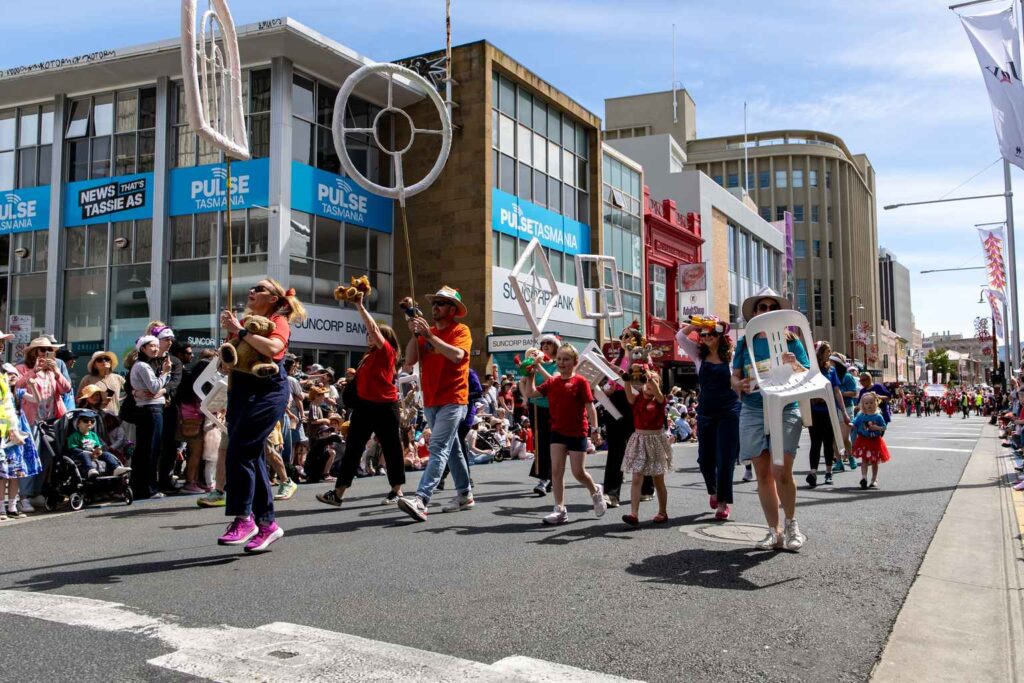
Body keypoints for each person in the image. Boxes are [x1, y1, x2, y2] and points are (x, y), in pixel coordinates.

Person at [217, 279, 305, 553]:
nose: (252, 291)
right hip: (240, 391)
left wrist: (239, 331)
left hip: (267, 390)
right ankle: (267, 524)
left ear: (274, 299)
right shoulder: (245, 321)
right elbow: (225, 364)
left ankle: (244, 518)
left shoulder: (278, 320)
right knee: (251, 454)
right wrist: (229, 346)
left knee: (240, 451)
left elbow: (273, 349)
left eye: (260, 289)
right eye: (253, 288)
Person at [732, 287, 809, 552]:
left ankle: (791, 525)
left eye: (771, 308)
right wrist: (738, 384)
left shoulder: (791, 339)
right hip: (753, 407)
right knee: (762, 473)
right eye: (761, 308)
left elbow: (808, 373)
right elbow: (735, 376)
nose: (766, 312)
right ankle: (773, 531)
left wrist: (795, 364)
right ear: (754, 314)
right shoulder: (744, 343)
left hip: (785, 406)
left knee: (781, 471)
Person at [317, 289, 406, 508]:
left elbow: (373, 328)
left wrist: (359, 305)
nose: (368, 336)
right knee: (353, 449)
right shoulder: (368, 356)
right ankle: (338, 493)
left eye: (372, 334)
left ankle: (397, 490)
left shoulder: (387, 352)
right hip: (365, 408)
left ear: (383, 338)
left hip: (386, 407)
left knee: (391, 447)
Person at [396, 286, 475, 522]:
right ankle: (465, 494)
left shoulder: (462, 330)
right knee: (452, 449)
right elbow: (409, 361)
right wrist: (415, 334)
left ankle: (421, 499)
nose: (435, 307)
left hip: (453, 398)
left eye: (441, 303)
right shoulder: (426, 331)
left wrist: (429, 337)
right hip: (430, 399)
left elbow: (457, 356)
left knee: (438, 446)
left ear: (453, 310)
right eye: (435, 303)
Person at [518, 342, 607, 525]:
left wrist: (595, 430)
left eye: (566, 359)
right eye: (559, 359)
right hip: (557, 431)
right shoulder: (553, 382)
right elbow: (531, 393)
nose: (561, 362)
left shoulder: (580, 381)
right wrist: (531, 374)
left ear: (574, 362)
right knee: (556, 472)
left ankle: (595, 490)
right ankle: (559, 509)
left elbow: (590, 408)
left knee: (578, 472)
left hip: (577, 432)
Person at [677, 316, 740, 520]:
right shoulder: (698, 355)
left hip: (729, 411)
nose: (705, 337)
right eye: (703, 334)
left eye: (710, 333)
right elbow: (680, 336)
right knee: (705, 459)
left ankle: (722, 503)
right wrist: (698, 325)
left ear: (720, 335)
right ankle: (713, 491)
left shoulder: (732, 358)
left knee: (725, 458)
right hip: (706, 411)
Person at [602, 324, 655, 507]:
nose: (624, 339)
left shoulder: (643, 358)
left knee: (640, 447)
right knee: (615, 449)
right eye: (623, 336)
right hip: (615, 403)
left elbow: (644, 382)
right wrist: (607, 389)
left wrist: (626, 372)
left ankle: (646, 487)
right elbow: (610, 384)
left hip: (634, 403)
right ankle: (611, 493)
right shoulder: (615, 361)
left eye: (629, 336)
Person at [620, 370, 672, 526]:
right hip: (639, 439)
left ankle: (662, 512)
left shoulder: (660, 400)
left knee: (658, 480)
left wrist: (651, 378)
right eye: (647, 382)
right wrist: (627, 380)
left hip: (656, 440)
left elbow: (657, 391)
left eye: (654, 381)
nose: (649, 384)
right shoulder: (637, 399)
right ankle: (633, 514)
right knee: (637, 477)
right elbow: (628, 394)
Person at [130, 335, 171, 499]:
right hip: (151, 410)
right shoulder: (143, 366)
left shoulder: (140, 365)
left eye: (156, 345)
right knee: (151, 450)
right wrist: (166, 374)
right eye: (151, 346)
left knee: (144, 449)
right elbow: (154, 388)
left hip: (148, 409)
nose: (155, 348)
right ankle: (148, 488)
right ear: (143, 349)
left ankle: (140, 487)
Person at [806, 342, 850, 488]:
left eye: (830, 351)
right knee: (815, 443)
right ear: (819, 352)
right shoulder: (811, 370)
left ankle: (828, 472)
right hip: (814, 411)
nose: (829, 354)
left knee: (828, 442)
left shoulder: (831, 370)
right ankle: (812, 473)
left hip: (829, 411)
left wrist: (844, 411)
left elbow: (837, 391)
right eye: (827, 351)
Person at [528, 334, 558, 496]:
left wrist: (539, 368)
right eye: (543, 343)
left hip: (554, 408)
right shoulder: (536, 363)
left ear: (555, 346)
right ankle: (544, 478)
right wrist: (527, 372)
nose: (545, 345)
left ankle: (548, 478)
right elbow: (526, 386)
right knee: (540, 443)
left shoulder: (557, 364)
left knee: (553, 444)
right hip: (536, 407)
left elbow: (555, 382)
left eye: (549, 343)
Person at [66, 411, 130, 479]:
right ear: (78, 423)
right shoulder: (73, 436)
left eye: (92, 421)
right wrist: (87, 452)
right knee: (84, 454)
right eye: (86, 421)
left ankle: (116, 468)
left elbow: (97, 445)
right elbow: (73, 449)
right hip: (81, 455)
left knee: (107, 454)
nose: (89, 423)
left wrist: (98, 450)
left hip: (94, 454)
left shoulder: (93, 435)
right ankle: (90, 469)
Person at [851, 392, 890, 489]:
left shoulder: (878, 416)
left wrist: (877, 427)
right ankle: (864, 478)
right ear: (862, 405)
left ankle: (874, 479)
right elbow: (854, 422)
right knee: (864, 460)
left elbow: (884, 427)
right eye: (866, 403)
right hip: (863, 440)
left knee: (874, 461)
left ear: (875, 403)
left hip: (875, 441)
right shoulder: (861, 415)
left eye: (871, 403)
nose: (869, 405)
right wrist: (850, 424)